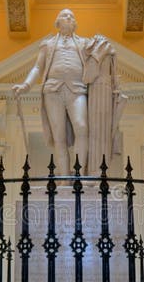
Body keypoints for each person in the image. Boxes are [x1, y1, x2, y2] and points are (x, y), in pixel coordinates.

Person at [13, 9, 124, 176]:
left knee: (82, 127)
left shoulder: (84, 43)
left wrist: (103, 42)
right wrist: (26, 85)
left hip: (77, 89)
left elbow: (102, 49)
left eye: (71, 16)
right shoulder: (48, 44)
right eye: (65, 15)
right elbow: (38, 67)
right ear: (57, 22)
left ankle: (78, 173)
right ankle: (64, 176)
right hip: (52, 90)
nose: (69, 17)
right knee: (59, 136)